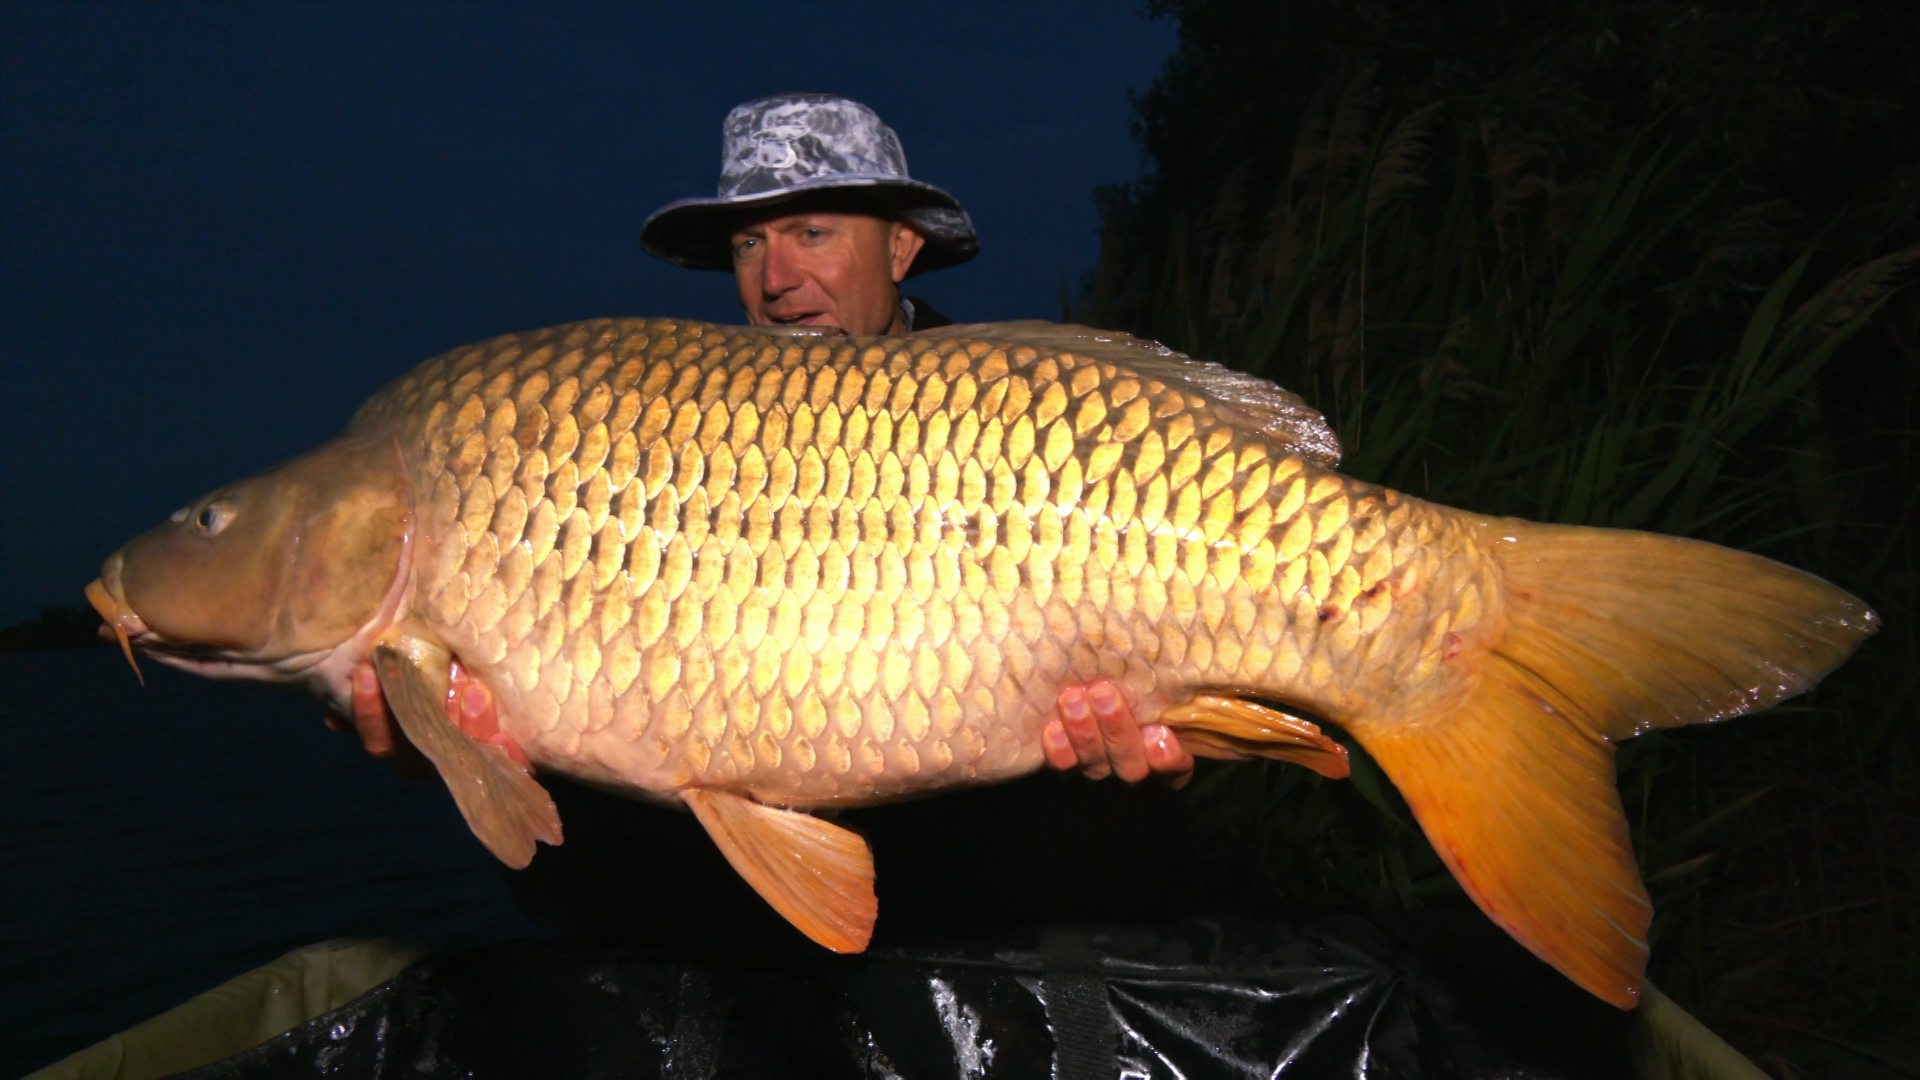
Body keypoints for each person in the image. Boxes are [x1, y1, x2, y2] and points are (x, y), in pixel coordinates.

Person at [334, 92, 1192, 787]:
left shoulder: (1020, 424)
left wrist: (1135, 767)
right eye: (750, 243)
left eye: (812, 233)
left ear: (900, 248)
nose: (776, 280)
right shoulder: (650, 440)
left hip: (991, 900)